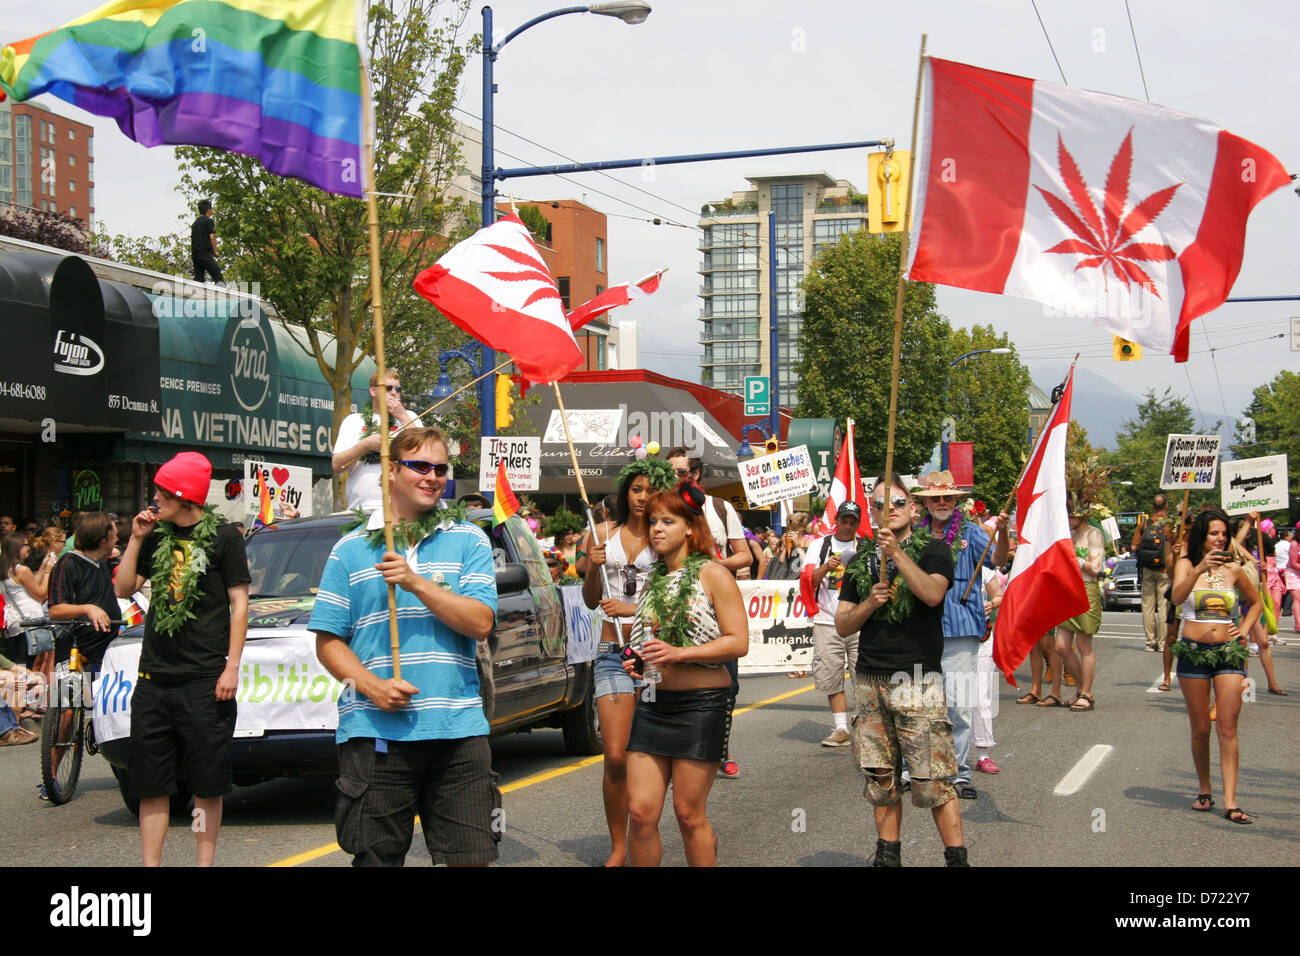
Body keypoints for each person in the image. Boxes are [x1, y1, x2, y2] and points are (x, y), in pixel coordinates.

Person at [309, 426, 498, 866]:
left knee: (470, 860)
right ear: (391, 471)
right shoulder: (349, 549)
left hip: (458, 730)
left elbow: (480, 622)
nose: (433, 477)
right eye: (420, 466)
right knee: (376, 859)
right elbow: (328, 641)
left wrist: (415, 582)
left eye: (440, 468)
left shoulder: (469, 539)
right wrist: (371, 685)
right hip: (375, 732)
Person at [115, 453, 250, 866]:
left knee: (206, 785)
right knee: (151, 785)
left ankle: (202, 864)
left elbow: (239, 605)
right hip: (154, 678)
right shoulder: (156, 535)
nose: (154, 499)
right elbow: (122, 589)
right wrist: (136, 539)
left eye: (161, 491)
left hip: (203, 679)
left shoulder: (224, 537)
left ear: (182, 495)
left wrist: (230, 667)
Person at [835, 474, 968, 867]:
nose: (887, 510)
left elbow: (932, 593)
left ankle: (956, 859)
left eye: (895, 503)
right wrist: (869, 605)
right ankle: (887, 857)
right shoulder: (859, 561)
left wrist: (896, 555)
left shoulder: (934, 551)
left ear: (912, 508)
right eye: (878, 504)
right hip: (870, 681)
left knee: (932, 780)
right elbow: (843, 624)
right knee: (880, 778)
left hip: (917, 681)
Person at [621, 481, 749, 866]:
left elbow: (738, 641)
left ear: (690, 527)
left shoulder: (713, 574)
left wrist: (680, 653)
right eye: (653, 522)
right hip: (653, 700)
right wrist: (637, 662)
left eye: (668, 521)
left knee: (688, 814)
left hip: (701, 705)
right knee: (641, 811)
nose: (657, 528)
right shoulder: (651, 580)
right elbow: (644, 643)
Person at [579, 456, 675, 866]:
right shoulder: (601, 534)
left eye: (650, 490)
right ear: (625, 493)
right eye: (635, 490)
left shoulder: (668, 538)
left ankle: (643, 830)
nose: (642, 498)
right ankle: (619, 845)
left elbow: (676, 604)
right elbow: (589, 600)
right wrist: (593, 570)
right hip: (612, 654)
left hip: (655, 656)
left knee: (649, 754)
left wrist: (632, 610)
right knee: (615, 755)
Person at [913, 471, 1009, 797]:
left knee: (958, 707)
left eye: (947, 497)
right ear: (926, 502)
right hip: (921, 632)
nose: (942, 503)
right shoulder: (915, 536)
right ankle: (919, 768)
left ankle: (959, 773)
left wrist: (1004, 531)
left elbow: (998, 559)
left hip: (960, 631)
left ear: (956, 501)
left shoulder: (970, 532)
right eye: (935, 498)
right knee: (920, 705)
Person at [1170, 508, 1263, 824]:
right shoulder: (1185, 565)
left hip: (1228, 653)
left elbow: (1257, 603)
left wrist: (1246, 629)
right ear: (1202, 536)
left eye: (1224, 533)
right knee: (1200, 728)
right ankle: (1204, 789)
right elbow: (1176, 598)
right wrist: (1198, 569)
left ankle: (1231, 801)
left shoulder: (1235, 570)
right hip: (1193, 652)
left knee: (1227, 724)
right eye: (1214, 533)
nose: (1221, 538)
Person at [666, 447, 747, 778]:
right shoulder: (659, 511)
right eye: (668, 472)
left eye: (680, 472)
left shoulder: (720, 508)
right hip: (672, 609)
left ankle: (719, 750)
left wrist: (715, 566)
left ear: (694, 475)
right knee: (667, 681)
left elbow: (743, 556)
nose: (674, 478)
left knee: (726, 684)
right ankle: (672, 752)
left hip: (716, 611)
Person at [801, 501, 866, 747]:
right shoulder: (820, 545)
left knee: (865, 675)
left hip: (859, 621)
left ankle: (864, 724)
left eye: (853, 522)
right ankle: (840, 728)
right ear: (836, 521)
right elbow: (808, 581)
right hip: (827, 621)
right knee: (832, 676)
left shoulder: (865, 546)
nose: (848, 526)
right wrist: (826, 567)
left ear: (858, 524)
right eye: (844, 521)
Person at [331, 369, 423, 511]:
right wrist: (365, 445)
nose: (394, 393)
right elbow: (337, 465)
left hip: (402, 508)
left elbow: (423, 451)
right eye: (388, 388)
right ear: (373, 391)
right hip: (361, 509)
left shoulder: (410, 417)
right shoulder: (354, 421)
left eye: (398, 389)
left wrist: (402, 415)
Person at [1054, 497, 1105, 711]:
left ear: (1083, 514)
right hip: (1067, 590)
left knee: (1084, 645)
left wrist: (1076, 559)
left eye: (1072, 515)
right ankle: (1080, 689)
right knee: (1061, 646)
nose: (1068, 518)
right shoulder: (1068, 535)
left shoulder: (1093, 534)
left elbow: (1095, 567)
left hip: (1086, 589)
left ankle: (1087, 692)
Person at [2, 532, 54, 671]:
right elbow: (41, 594)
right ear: (16, 547)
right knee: (31, 663)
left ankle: (18, 690)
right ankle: (28, 691)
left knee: (18, 661)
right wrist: (48, 571)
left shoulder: (6, 569)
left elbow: (29, 585)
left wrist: (43, 566)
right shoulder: (22, 570)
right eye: (26, 545)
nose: (29, 548)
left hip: (14, 622)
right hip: (31, 620)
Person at [1132, 494, 1175, 652]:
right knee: (1164, 606)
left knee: (1148, 606)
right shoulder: (1170, 525)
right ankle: (1163, 643)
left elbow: (1134, 547)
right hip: (1164, 569)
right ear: (1167, 506)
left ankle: (1150, 641)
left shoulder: (1144, 524)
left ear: (1152, 507)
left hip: (1147, 569)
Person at [190, 199, 224, 284]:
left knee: (199, 280)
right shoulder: (209, 221)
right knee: (218, 276)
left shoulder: (195, 224)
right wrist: (215, 251)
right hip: (205, 253)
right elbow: (212, 237)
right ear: (209, 210)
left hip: (195, 254)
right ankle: (223, 296)